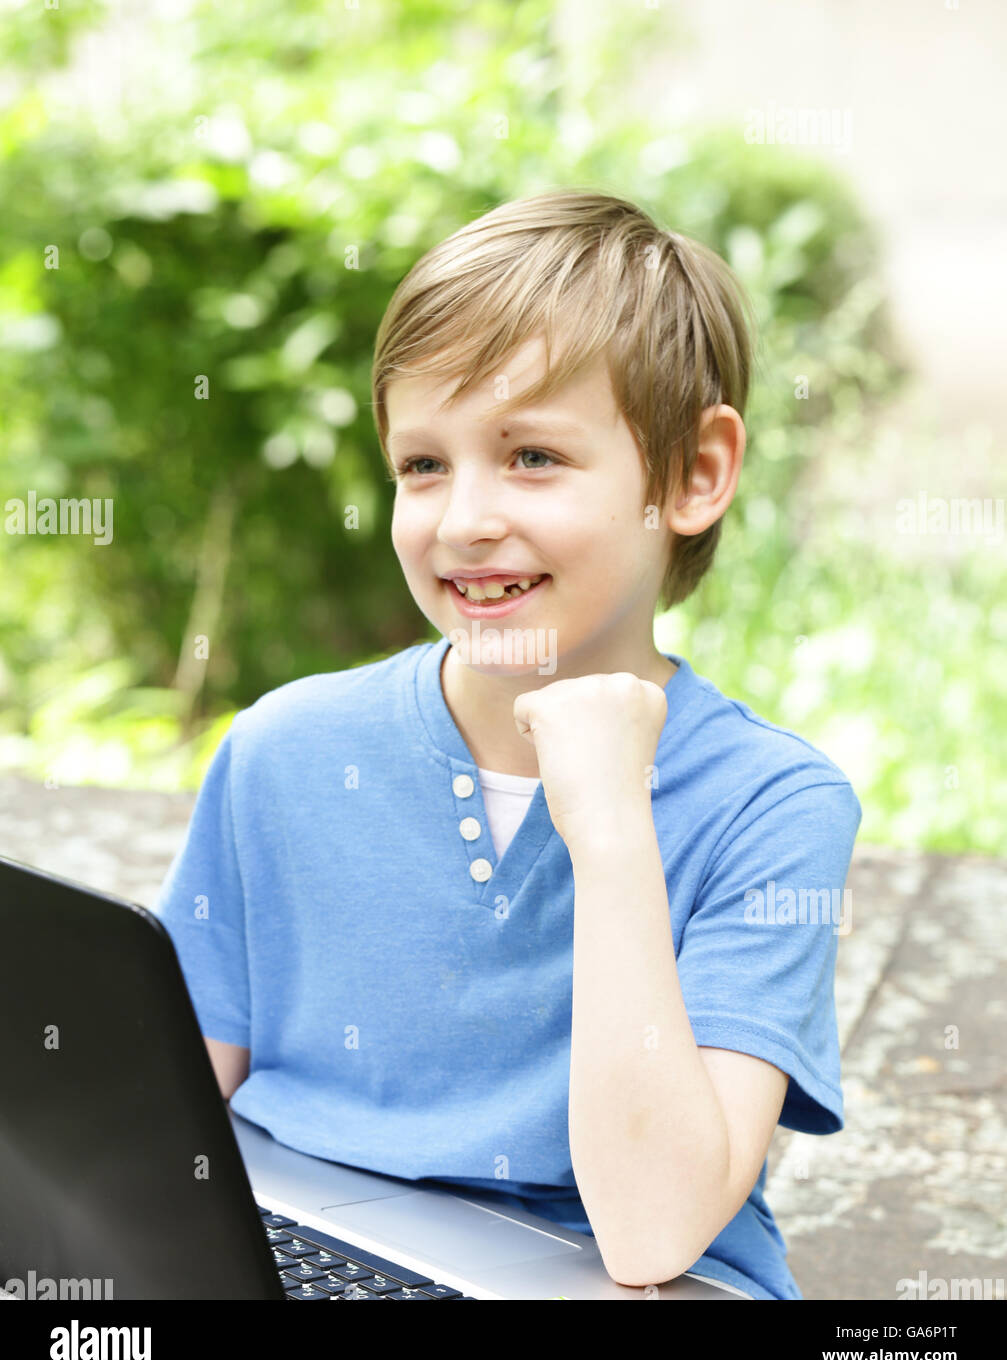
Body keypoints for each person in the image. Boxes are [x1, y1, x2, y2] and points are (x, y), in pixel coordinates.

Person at [154, 189, 861, 1300]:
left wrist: (608, 820)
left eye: (530, 455)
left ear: (691, 474)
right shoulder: (284, 750)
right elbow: (158, 1132)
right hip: (293, 1248)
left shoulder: (770, 805)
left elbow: (651, 1231)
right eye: (422, 464)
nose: (462, 518)